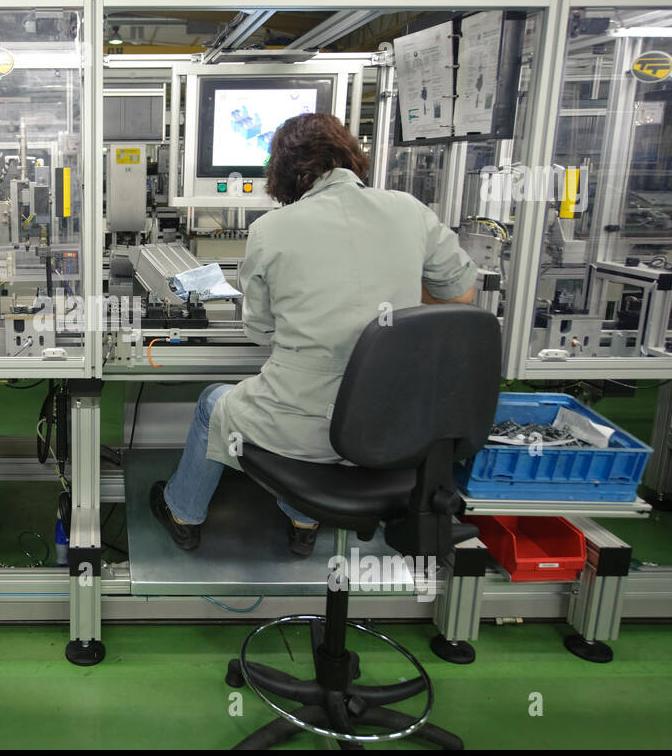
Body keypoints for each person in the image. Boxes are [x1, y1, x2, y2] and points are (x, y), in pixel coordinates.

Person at [150, 113, 476, 558]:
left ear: (282, 172)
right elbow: (461, 296)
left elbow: (260, 330)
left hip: (301, 430)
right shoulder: (410, 210)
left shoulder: (271, 230)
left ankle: (183, 514)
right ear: (350, 156)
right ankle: (304, 520)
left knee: (213, 403)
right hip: (390, 426)